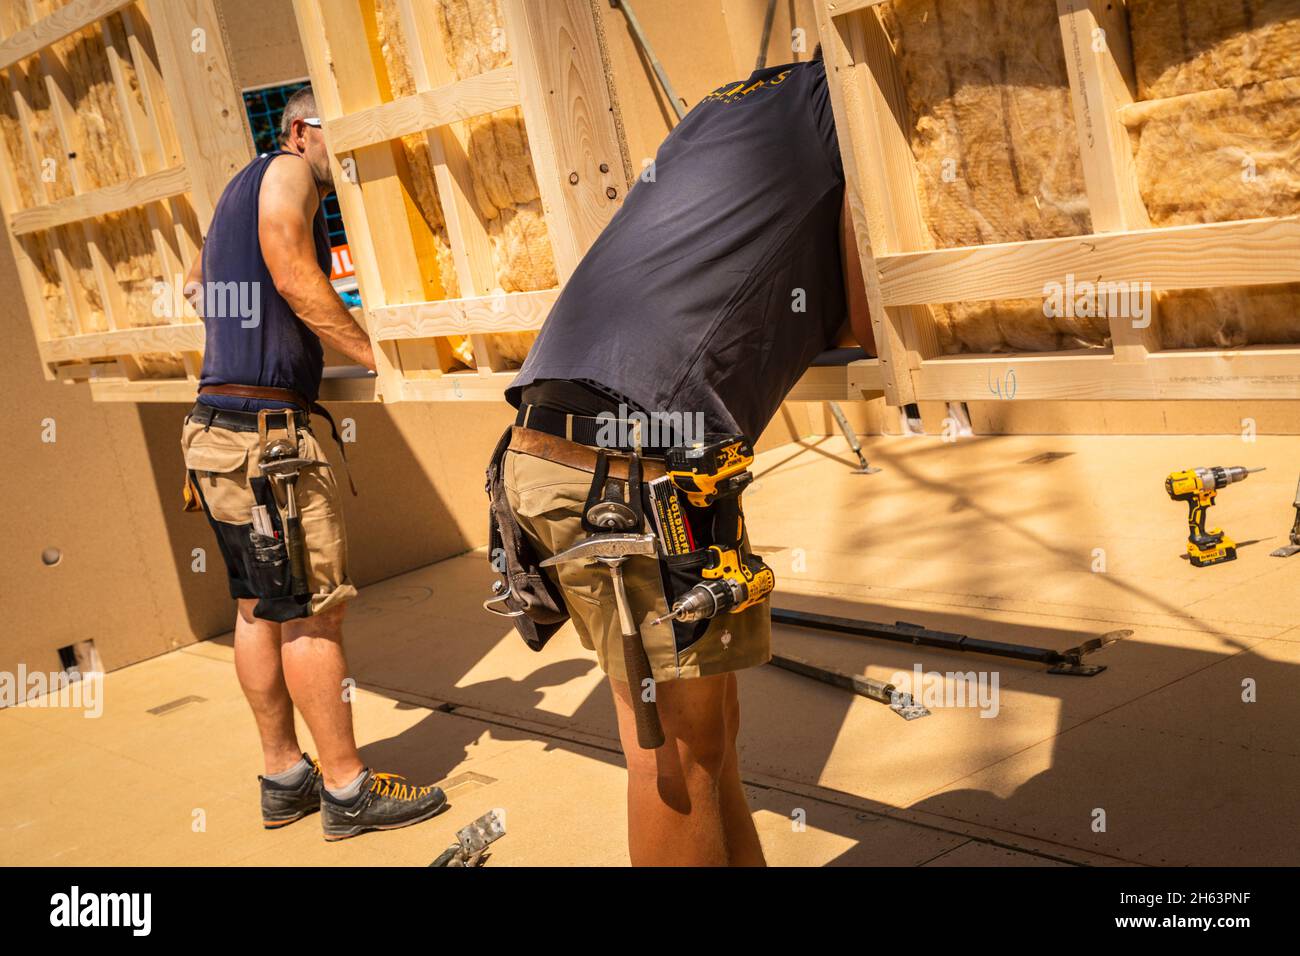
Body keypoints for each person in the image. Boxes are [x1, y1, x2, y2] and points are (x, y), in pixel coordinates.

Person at [492, 50, 874, 866]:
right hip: (626, 473)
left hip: (568, 449)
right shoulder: (856, 101)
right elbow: (873, 319)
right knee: (672, 751)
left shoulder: (733, 97)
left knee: (711, 735)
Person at [180, 87, 446, 841]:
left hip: (214, 431)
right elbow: (293, 268)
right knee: (313, 615)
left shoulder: (235, 188)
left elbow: (199, 285)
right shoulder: (288, 174)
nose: (349, 150)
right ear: (303, 130)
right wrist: (377, 357)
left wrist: (250, 335)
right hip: (268, 443)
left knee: (259, 607)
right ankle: (349, 790)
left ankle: (283, 775)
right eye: (342, 133)